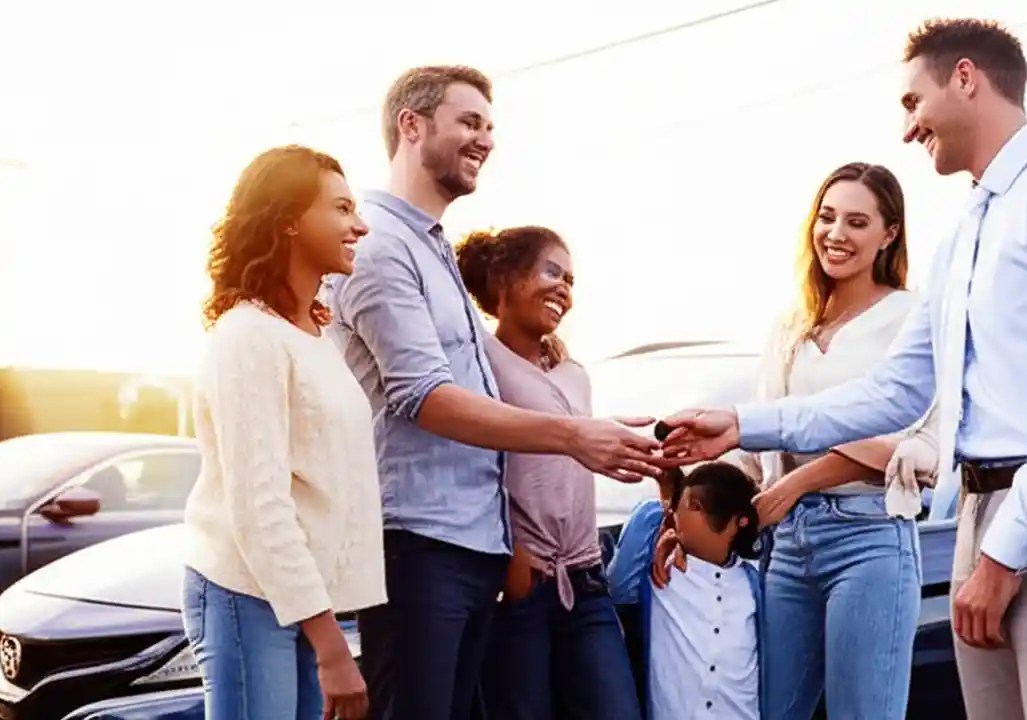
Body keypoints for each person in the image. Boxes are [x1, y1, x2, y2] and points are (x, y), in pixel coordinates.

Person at [658, 17, 1027, 720]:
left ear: (965, 79)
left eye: (912, 102)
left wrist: (1005, 556)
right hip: (981, 512)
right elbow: (893, 390)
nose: (908, 129)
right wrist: (741, 423)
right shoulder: (965, 232)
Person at [326, 65, 662, 720]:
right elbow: (424, 395)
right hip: (419, 549)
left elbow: (490, 391)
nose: (485, 139)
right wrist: (574, 437)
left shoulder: (433, 250)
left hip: (472, 550)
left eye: (489, 126)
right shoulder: (381, 246)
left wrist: (581, 420)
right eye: (469, 121)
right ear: (412, 125)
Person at [658, 162, 934, 719]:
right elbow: (761, 454)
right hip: (786, 549)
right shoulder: (791, 325)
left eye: (857, 221)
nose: (836, 234)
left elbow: (904, 451)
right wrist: (682, 517)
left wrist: (801, 480)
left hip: (870, 539)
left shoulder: (912, 317)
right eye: (827, 217)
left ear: (890, 233)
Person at [182, 145, 384, 720]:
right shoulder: (248, 336)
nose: (359, 225)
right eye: (342, 209)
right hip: (246, 594)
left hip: (299, 598)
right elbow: (259, 504)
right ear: (290, 218)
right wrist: (331, 647)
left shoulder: (314, 338)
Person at [454, 225, 643, 720]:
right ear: (505, 280)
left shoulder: (572, 370)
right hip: (524, 582)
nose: (564, 288)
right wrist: (513, 556)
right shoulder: (479, 361)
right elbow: (469, 463)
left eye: (571, 280)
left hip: (586, 578)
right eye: (551, 271)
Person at [608, 462, 765, 720]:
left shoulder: (756, 582)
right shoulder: (660, 574)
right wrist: (663, 506)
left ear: (739, 522)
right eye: (685, 503)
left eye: (697, 506)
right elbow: (618, 586)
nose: (684, 511)